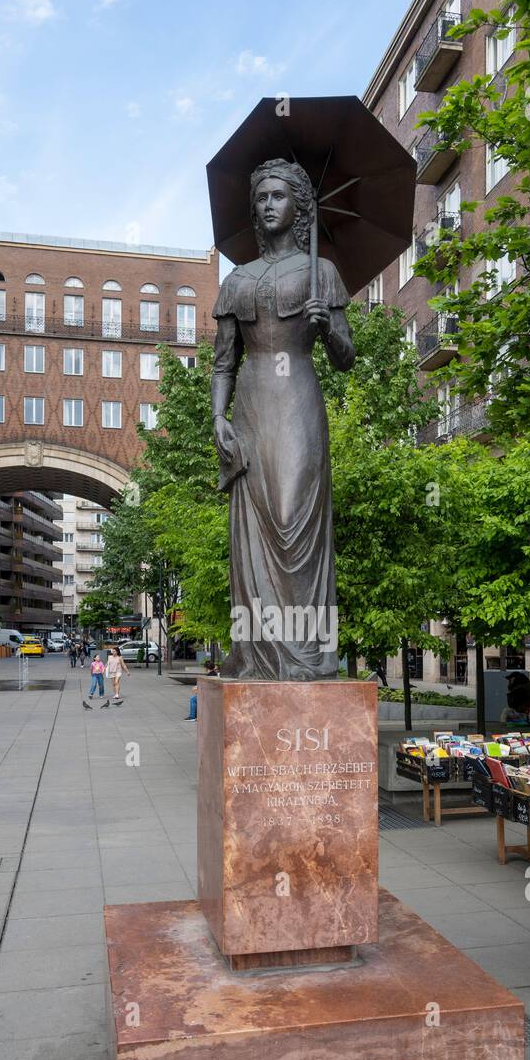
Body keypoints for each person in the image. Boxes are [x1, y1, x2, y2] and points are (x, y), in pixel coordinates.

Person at [211, 156, 355, 680]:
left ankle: (307, 654)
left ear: (299, 207)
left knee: (294, 519)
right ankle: (257, 651)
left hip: (297, 395)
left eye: (278, 196)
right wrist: (217, 417)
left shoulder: (322, 271)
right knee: (251, 527)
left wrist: (329, 327)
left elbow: (346, 356)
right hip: (250, 401)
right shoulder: (237, 279)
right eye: (262, 197)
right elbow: (224, 359)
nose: (267, 204)